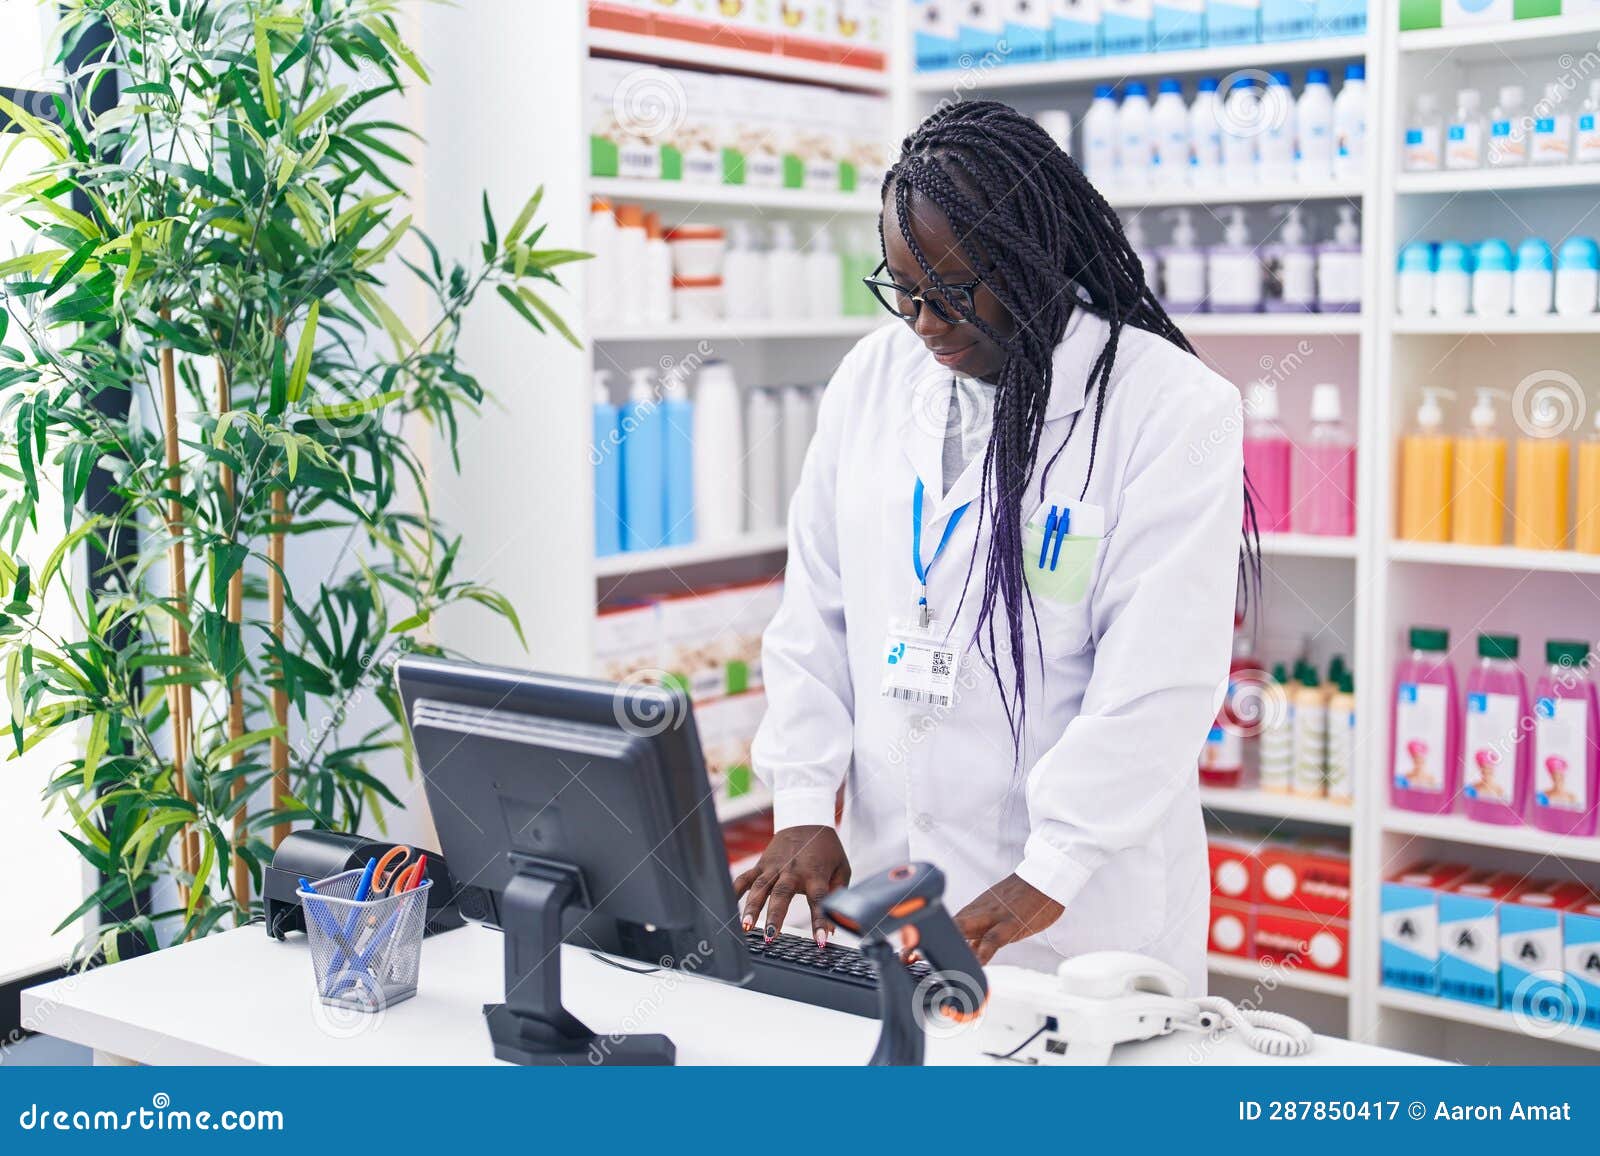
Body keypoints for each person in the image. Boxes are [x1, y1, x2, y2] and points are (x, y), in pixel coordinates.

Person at [739, 100, 1255, 989]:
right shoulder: (871, 379)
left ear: (1033, 261)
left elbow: (1160, 684)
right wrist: (801, 799)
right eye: (903, 291)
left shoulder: (1168, 410)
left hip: (1080, 928)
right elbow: (813, 616)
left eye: (952, 293)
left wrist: (1044, 877)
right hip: (893, 893)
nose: (924, 322)